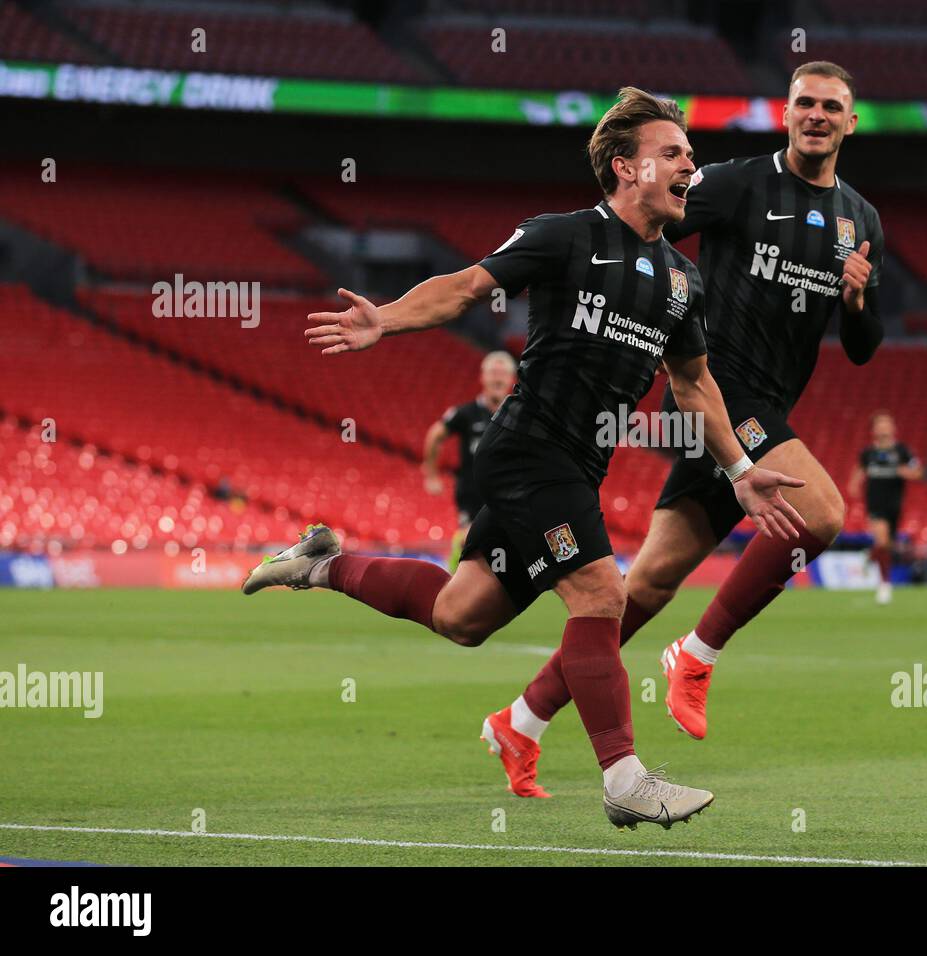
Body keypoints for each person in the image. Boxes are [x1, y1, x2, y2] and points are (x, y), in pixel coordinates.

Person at [242, 87, 806, 829]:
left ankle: (319, 563)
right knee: (603, 595)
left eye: (690, 156)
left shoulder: (682, 281)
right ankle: (625, 779)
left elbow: (694, 384)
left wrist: (739, 470)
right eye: (672, 154)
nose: (689, 167)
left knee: (461, 616)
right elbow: (467, 288)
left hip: (578, 466)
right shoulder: (563, 236)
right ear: (623, 166)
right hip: (527, 452)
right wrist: (389, 319)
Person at [492, 61, 884, 797]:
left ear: (850, 121)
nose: (817, 115)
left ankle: (522, 719)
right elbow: (640, 214)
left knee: (643, 587)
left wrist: (860, 304)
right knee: (822, 513)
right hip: (714, 395)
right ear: (787, 113)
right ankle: (697, 656)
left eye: (832, 106)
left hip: (763, 410)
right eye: (804, 102)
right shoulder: (737, 184)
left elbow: (862, 349)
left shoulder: (860, 222)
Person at [422, 351, 516, 569]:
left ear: (512, 380)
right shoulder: (466, 413)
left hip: (507, 492)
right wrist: (431, 474)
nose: (498, 378)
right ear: (482, 377)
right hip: (472, 492)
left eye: (503, 374)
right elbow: (436, 435)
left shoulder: (518, 415)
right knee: (469, 538)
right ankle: (452, 577)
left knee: (506, 542)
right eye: (493, 373)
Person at [849, 411, 921, 605]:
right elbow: (857, 475)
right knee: (882, 542)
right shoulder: (868, 453)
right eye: (879, 424)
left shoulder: (902, 451)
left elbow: (918, 472)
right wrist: (855, 485)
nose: (883, 428)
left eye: (886, 424)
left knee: (887, 545)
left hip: (895, 504)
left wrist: (905, 472)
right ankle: (884, 586)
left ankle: (869, 556)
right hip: (875, 503)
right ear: (873, 430)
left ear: (893, 428)